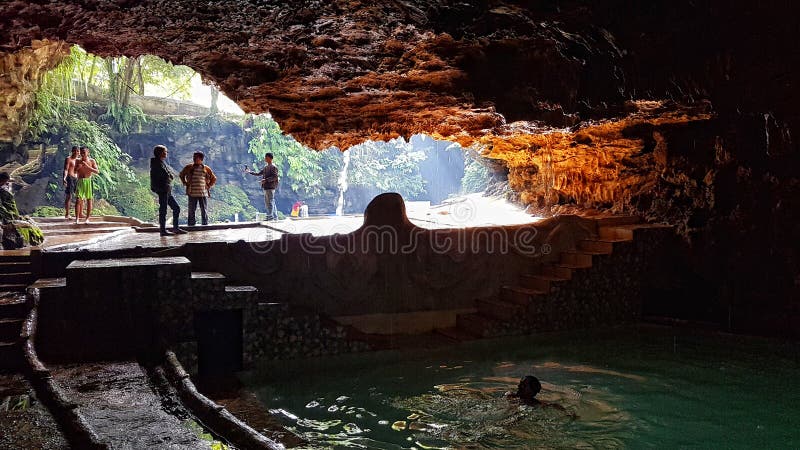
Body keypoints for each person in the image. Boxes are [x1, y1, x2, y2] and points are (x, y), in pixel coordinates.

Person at [150, 145, 187, 236]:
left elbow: (167, 176)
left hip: (166, 190)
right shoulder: (156, 164)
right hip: (163, 190)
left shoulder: (160, 163)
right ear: (161, 153)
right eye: (165, 151)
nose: (166, 153)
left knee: (176, 208)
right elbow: (163, 176)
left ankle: (175, 228)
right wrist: (169, 176)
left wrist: (169, 176)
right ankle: (163, 231)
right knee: (163, 210)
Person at [0, 172, 43, 248]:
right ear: (2, 180)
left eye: (6, 182)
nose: (5, 183)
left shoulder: (3, 188)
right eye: (4, 182)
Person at [179, 151, 217, 226]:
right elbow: (181, 174)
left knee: (204, 210)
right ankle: (191, 225)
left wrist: (209, 185)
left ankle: (205, 224)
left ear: (201, 159)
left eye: (196, 157)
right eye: (194, 157)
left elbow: (214, 178)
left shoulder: (206, 168)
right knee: (191, 210)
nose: (194, 159)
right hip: (192, 192)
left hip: (203, 193)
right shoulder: (189, 167)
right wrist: (185, 183)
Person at [244, 152, 279, 220]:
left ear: (269, 158)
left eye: (266, 157)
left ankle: (270, 216)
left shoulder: (273, 167)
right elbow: (258, 173)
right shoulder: (266, 167)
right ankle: (274, 216)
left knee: (270, 202)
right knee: (271, 201)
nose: (265, 158)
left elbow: (275, 177)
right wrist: (250, 172)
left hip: (270, 187)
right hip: (266, 187)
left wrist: (265, 180)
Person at [74, 146, 99, 223]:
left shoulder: (92, 161)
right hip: (80, 181)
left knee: (89, 200)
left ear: (88, 153)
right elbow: (74, 171)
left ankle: (87, 218)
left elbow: (97, 171)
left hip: (88, 181)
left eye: (84, 152)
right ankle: (77, 218)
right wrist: (79, 167)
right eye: (81, 153)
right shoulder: (78, 161)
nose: (82, 154)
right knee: (78, 200)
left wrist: (88, 167)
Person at [63, 146, 79, 219]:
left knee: (79, 196)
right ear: (72, 151)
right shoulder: (68, 159)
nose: (76, 152)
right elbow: (66, 169)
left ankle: (78, 214)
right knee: (69, 196)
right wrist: (64, 178)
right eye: (74, 151)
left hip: (77, 179)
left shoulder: (79, 160)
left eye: (77, 151)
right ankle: (67, 214)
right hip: (70, 177)